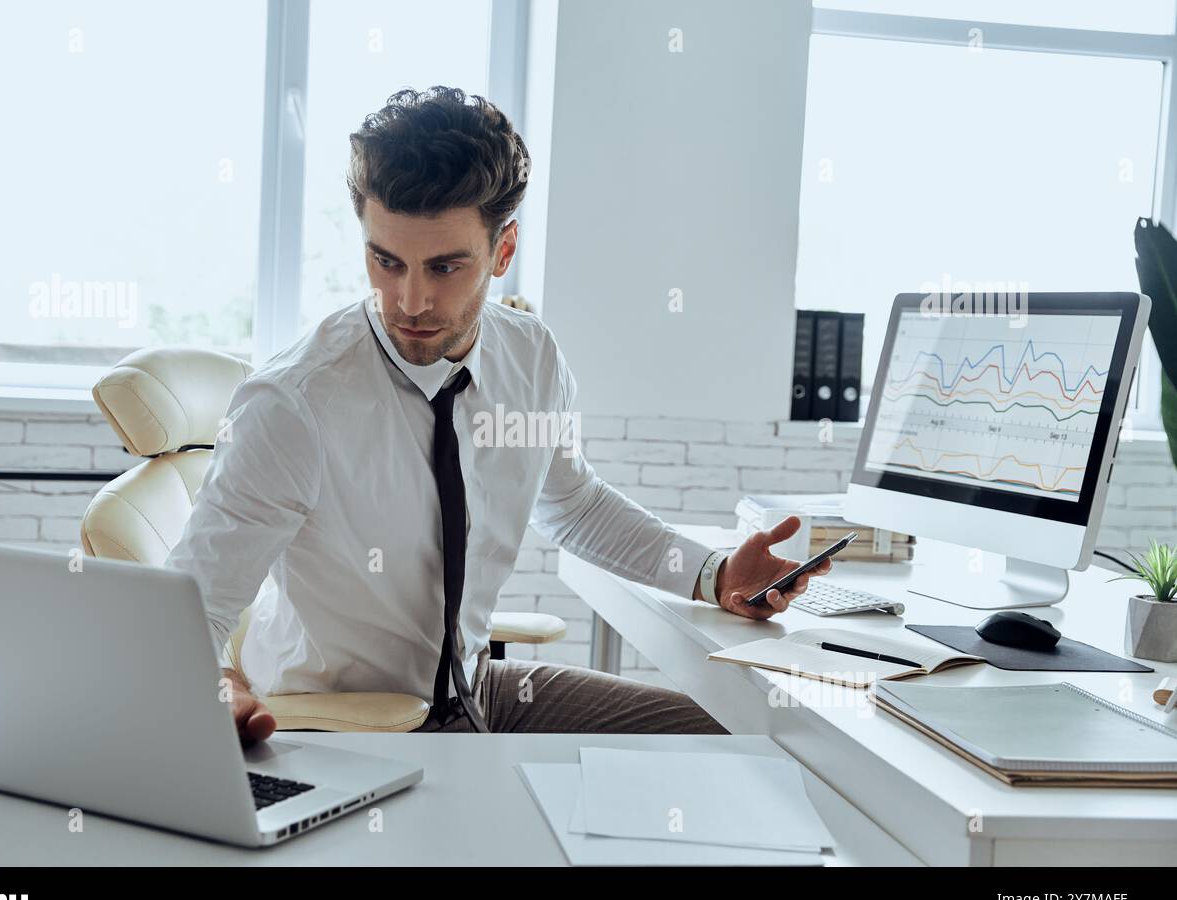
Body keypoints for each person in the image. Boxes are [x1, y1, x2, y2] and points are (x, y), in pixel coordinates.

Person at [165, 86, 829, 740]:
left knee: (740, 737)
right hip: (344, 721)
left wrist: (712, 574)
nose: (412, 299)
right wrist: (213, 688)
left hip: (476, 692)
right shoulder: (294, 404)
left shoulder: (531, 359)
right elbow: (186, 610)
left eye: (446, 266)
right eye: (385, 260)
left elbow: (573, 503)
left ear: (502, 251)